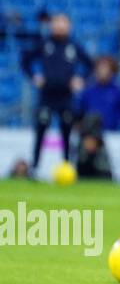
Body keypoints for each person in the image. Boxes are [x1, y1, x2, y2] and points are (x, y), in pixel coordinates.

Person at [21, 13, 92, 170]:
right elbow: (25, 60)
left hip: (66, 96)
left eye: (63, 22)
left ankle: (66, 165)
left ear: (69, 26)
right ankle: (35, 166)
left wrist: (80, 79)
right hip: (46, 95)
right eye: (57, 22)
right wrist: (34, 76)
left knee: (66, 131)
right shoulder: (44, 43)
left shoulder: (73, 46)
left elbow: (90, 65)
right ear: (51, 25)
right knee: (41, 130)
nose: (60, 25)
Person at [78, 56, 120, 132]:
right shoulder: (88, 91)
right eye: (100, 68)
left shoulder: (118, 92)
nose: (102, 71)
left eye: (105, 68)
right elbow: (81, 111)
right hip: (91, 135)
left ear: (112, 71)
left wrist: (118, 124)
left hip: (112, 134)